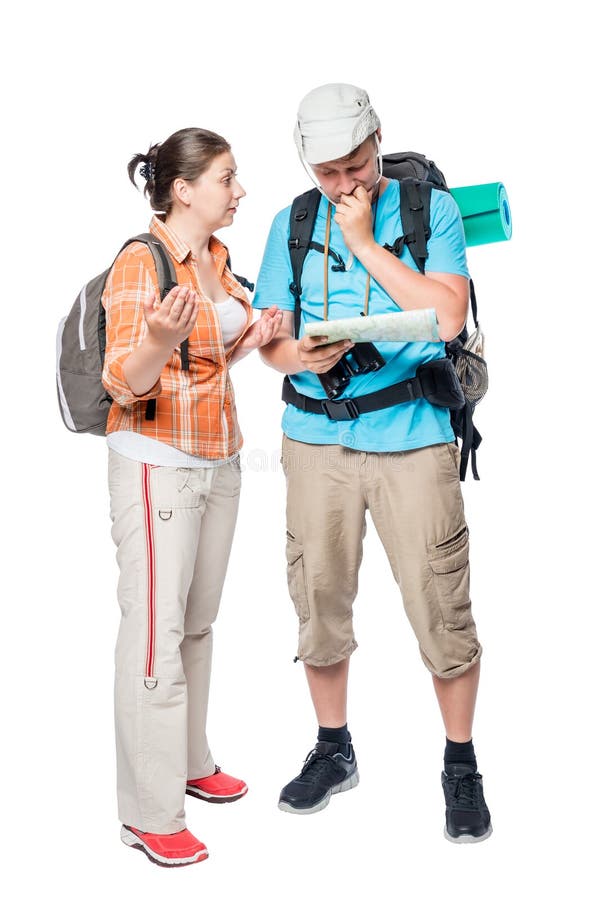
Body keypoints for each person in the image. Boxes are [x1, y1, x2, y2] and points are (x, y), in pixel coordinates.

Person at [253, 84, 491, 842]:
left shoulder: (431, 212)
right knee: (317, 599)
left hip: (413, 438)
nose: (343, 184)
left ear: (377, 142)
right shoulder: (289, 222)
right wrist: (301, 353)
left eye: (355, 165)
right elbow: (271, 346)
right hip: (315, 441)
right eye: (327, 173)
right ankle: (333, 748)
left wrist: (361, 242)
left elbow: (447, 313)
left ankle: (460, 763)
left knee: (438, 605)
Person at [102, 127, 282, 866]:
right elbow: (126, 380)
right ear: (183, 189)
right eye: (226, 178)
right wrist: (151, 340)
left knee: (197, 627)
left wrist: (253, 334)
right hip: (157, 464)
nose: (238, 190)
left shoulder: (216, 258)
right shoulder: (140, 264)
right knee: (155, 636)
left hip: (221, 458)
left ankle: (188, 759)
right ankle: (149, 812)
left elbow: (208, 356)